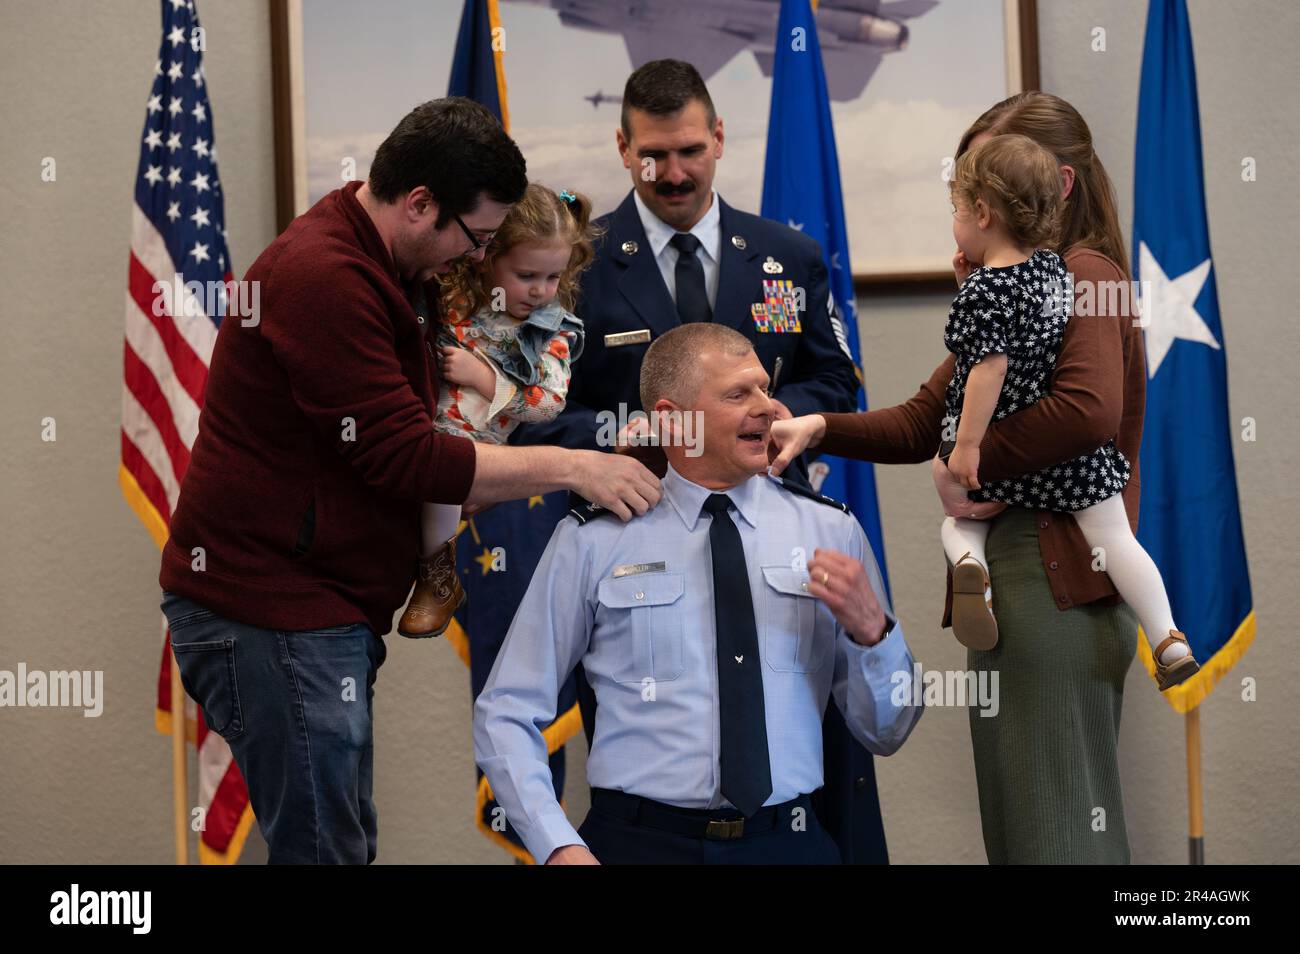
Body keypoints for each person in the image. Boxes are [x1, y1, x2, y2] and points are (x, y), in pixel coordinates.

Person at [158, 99, 660, 864]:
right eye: (477, 238)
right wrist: (575, 467)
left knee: (340, 839)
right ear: (420, 202)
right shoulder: (326, 277)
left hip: (321, 606)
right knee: (327, 849)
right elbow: (409, 458)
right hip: (270, 608)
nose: (473, 259)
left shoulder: (393, 265)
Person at [510, 58, 889, 865]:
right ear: (623, 149)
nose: (673, 171)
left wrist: (778, 416)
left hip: (775, 540)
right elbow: (537, 407)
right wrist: (624, 444)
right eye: (653, 155)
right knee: (650, 749)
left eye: (689, 149)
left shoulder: (789, 254)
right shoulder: (577, 263)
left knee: (804, 751)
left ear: (719, 138)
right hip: (634, 530)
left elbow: (837, 381)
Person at [770, 92, 1146, 864]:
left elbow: (1088, 410)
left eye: (983, 175)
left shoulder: (1083, 271)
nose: (969, 199)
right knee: (1029, 838)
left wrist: (970, 460)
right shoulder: (1029, 286)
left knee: (1057, 839)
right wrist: (819, 425)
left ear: (1059, 184)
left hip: (1055, 583)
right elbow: (919, 420)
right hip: (1026, 586)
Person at [474, 324, 921, 865]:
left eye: (764, 387)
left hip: (791, 843)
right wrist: (557, 845)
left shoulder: (830, 531)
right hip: (638, 845)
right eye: (738, 394)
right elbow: (507, 709)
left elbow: (888, 731)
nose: (768, 409)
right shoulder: (595, 538)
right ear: (672, 418)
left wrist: (876, 634)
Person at [936, 134, 1198, 690]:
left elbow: (988, 367)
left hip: (1012, 449)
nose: (954, 223)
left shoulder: (985, 292)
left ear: (982, 213)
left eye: (957, 211)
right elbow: (1027, 325)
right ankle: (1168, 638)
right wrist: (973, 281)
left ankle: (972, 573)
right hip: (1071, 460)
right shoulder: (1058, 272)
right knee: (1116, 541)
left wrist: (968, 445)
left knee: (960, 520)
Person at [397, 184, 597, 638]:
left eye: (553, 278)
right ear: (486, 256)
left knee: (441, 485)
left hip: (473, 444)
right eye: (527, 275)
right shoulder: (450, 297)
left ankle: (436, 579)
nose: (541, 291)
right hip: (414, 426)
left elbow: (548, 403)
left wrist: (483, 376)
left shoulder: (552, 330)